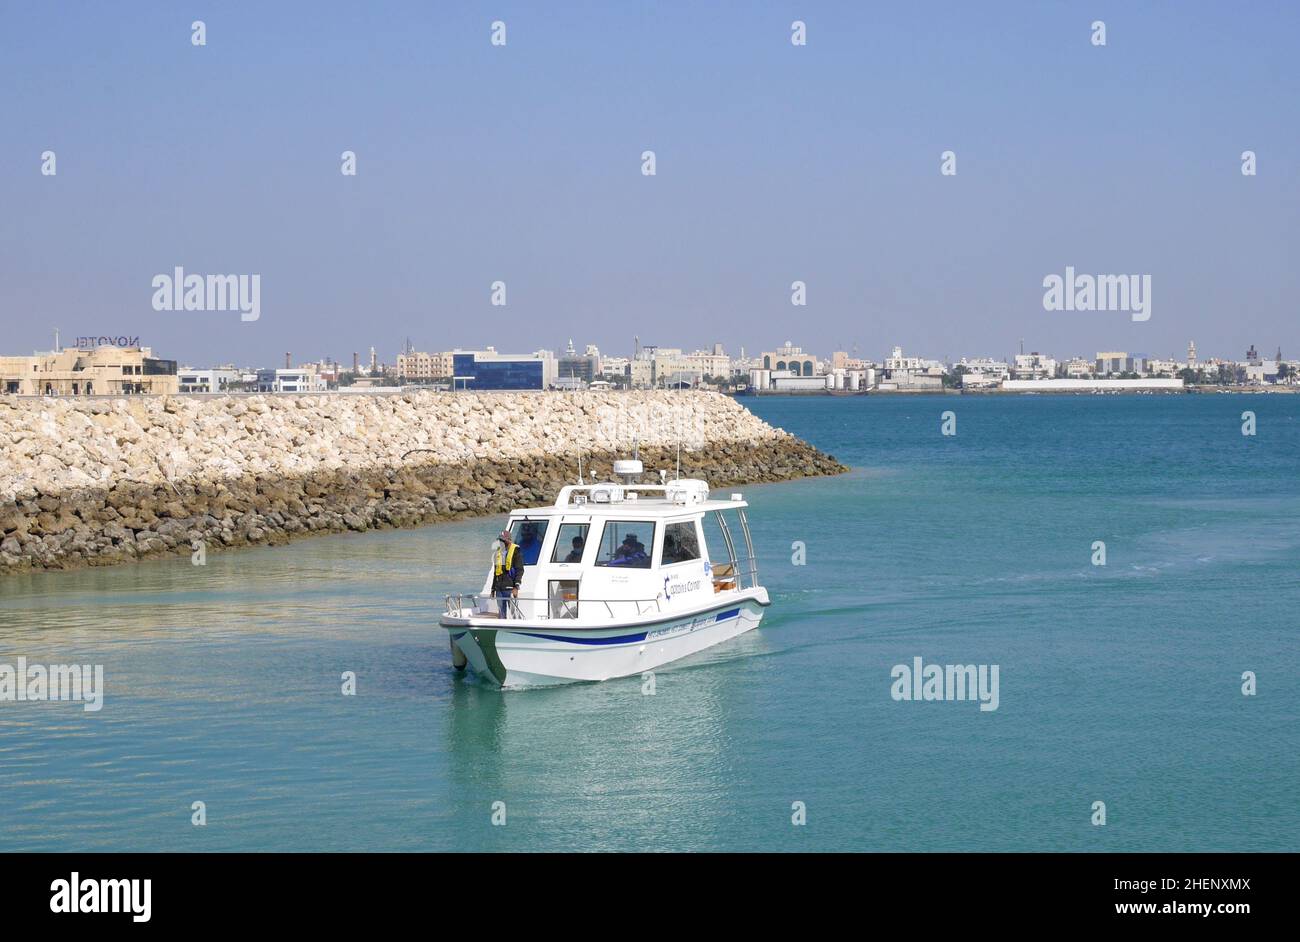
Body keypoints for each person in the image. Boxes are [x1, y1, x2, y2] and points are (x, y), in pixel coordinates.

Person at [491, 529, 524, 617]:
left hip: (510, 588)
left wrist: (516, 586)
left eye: (503, 540)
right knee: (501, 613)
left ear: (508, 540)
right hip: (499, 589)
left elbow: (520, 570)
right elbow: (496, 572)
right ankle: (502, 627)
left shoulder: (516, 552)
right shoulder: (498, 552)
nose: (500, 542)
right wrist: (493, 589)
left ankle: (518, 626)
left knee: (515, 613)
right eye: (500, 540)